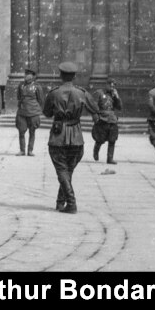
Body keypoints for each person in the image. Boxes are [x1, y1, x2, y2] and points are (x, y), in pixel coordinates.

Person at [42, 61, 95, 214]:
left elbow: (47, 113)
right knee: (67, 170)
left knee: (62, 170)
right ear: (74, 76)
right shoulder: (82, 92)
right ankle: (60, 202)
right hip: (77, 137)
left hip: (58, 136)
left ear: (61, 75)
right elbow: (95, 109)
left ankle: (71, 203)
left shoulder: (54, 93)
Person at [91, 78, 123, 164]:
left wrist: (117, 97)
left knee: (112, 140)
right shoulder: (99, 93)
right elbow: (93, 106)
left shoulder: (114, 94)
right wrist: (96, 118)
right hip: (102, 118)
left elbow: (119, 107)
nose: (112, 87)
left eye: (113, 86)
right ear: (106, 84)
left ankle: (110, 159)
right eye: (110, 85)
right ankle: (96, 152)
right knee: (100, 139)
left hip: (112, 119)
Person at [15, 68, 45, 156]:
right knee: (21, 131)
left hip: (33, 112)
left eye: (28, 75)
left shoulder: (37, 87)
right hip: (22, 112)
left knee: (32, 131)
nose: (26, 76)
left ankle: (30, 150)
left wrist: (37, 110)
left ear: (33, 77)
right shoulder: (21, 85)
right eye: (25, 74)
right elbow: (19, 97)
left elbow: (41, 100)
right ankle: (22, 150)